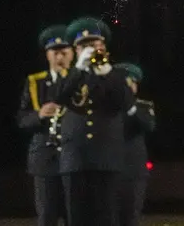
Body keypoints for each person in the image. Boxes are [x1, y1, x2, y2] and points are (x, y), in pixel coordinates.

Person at [57, 16, 134, 226]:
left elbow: (125, 102)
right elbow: (59, 97)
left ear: (104, 47)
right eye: (84, 46)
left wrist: (107, 74)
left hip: (106, 157)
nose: (91, 50)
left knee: (107, 217)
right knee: (77, 217)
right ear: (76, 50)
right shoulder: (69, 75)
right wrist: (79, 70)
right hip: (75, 158)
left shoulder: (116, 74)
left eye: (95, 45)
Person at [19, 25, 73, 226]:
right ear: (47, 55)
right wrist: (39, 115)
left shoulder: (81, 81)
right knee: (46, 216)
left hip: (74, 156)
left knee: (74, 215)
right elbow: (22, 119)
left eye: (64, 52)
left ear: (72, 54)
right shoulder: (35, 82)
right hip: (45, 158)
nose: (60, 57)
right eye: (55, 52)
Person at [114, 63, 154, 226]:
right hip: (108, 169)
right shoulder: (108, 108)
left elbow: (148, 126)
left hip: (133, 172)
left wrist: (129, 105)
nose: (131, 87)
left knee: (131, 217)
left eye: (133, 83)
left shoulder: (143, 106)